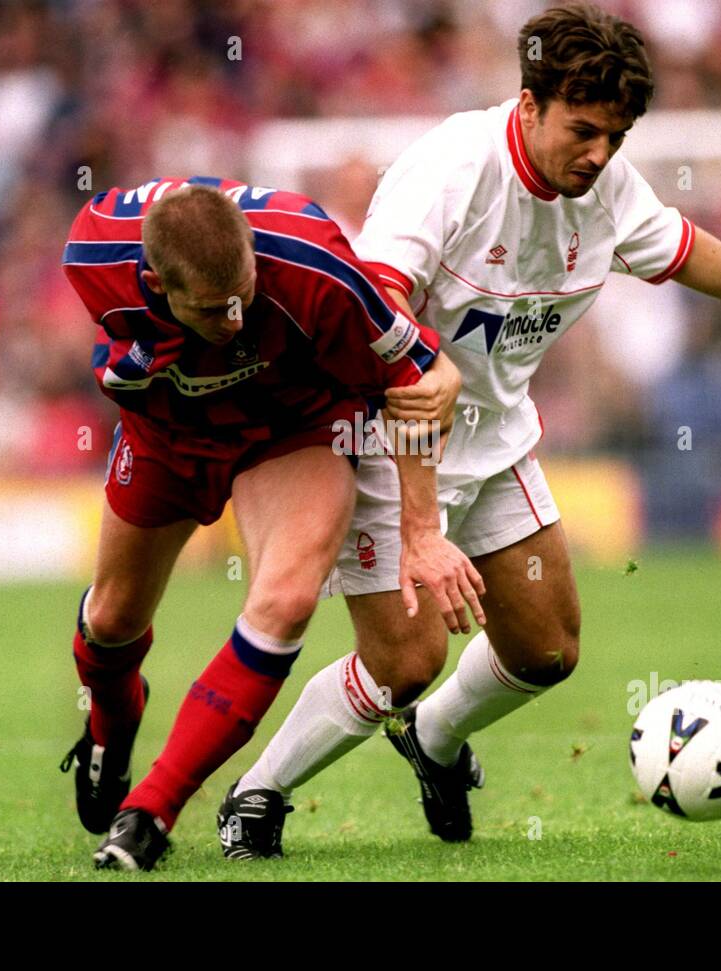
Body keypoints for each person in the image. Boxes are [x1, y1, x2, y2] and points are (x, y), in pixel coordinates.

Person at [218, 3, 721, 858]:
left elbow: (682, 248)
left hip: (494, 440)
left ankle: (435, 740)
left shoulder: (602, 187)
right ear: (528, 105)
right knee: (405, 662)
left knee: (546, 649)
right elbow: (381, 346)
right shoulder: (447, 175)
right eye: (584, 130)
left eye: (617, 136)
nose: (599, 154)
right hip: (383, 436)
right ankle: (257, 790)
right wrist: (420, 531)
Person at [58, 176, 482, 870]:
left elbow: (418, 383)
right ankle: (113, 723)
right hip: (168, 433)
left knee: (285, 600)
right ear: (156, 285)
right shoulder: (92, 253)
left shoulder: (315, 265)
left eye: (243, 295)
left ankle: (152, 811)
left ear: (254, 253)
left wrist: (421, 531)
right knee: (110, 620)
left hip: (294, 426)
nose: (232, 318)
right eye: (210, 308)